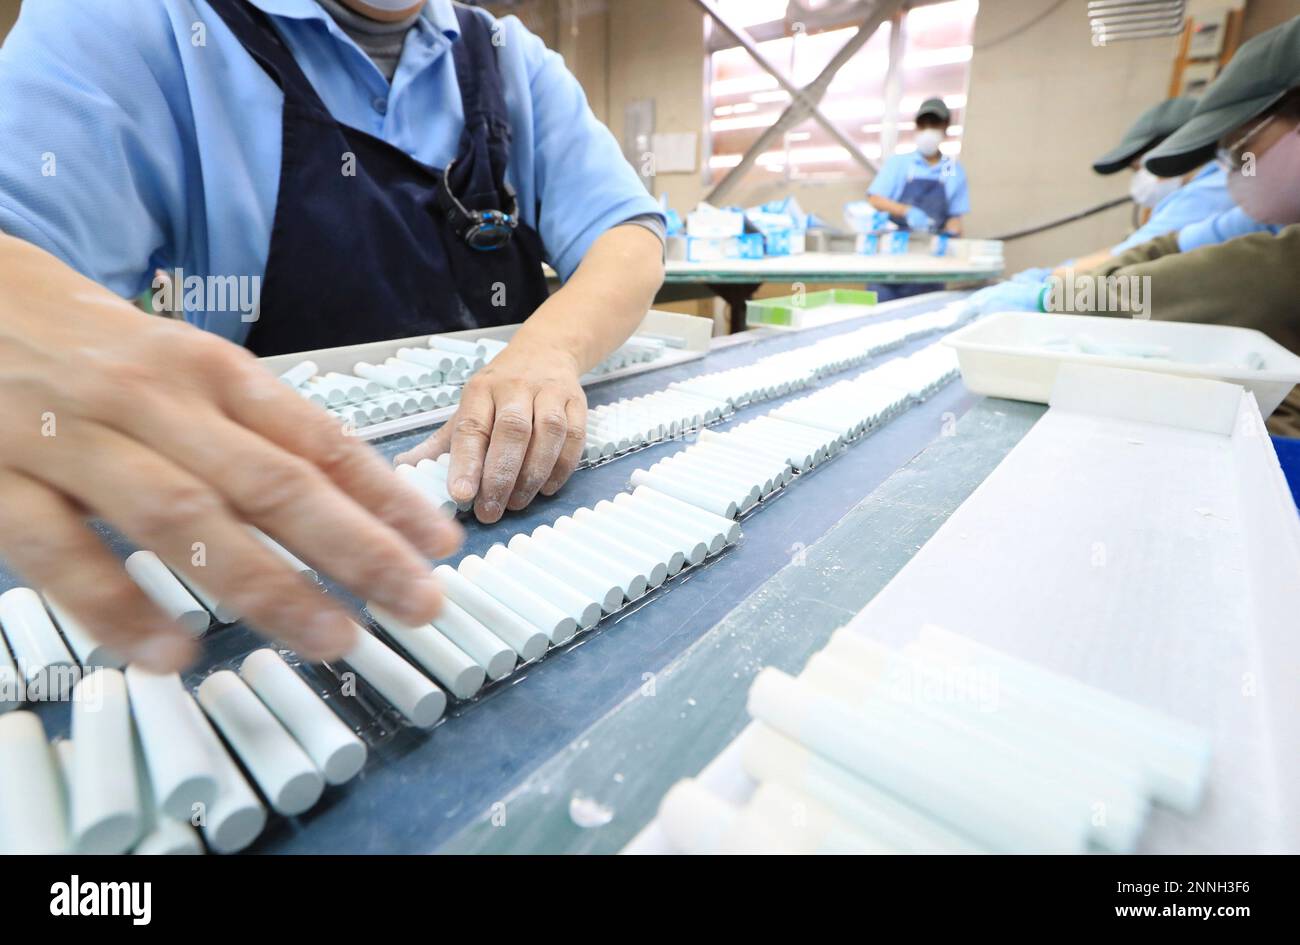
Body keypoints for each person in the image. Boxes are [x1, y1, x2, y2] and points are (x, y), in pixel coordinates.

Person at [0, 0, 665, 670]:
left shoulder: (505, 55)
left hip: (505, 514)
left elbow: (628, 237)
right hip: (279, 517)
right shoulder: (144, 22)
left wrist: (547, 352)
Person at [972, 16, 1300, 436]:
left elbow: (1228, 281)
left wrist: (1054, 298)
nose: (1234, 171)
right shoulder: (1254, 218)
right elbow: (1172, 247)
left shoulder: (1272, 264)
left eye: (1241, 149)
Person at [1064, 96, 1237, 274]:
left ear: (1181, 149)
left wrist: (1050, 276)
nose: (1143, 178)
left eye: (1144, 167)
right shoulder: (1213, 183)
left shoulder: (1209, 193)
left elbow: (1127, 257)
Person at [865, 97, 970, 301]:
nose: (929, 129)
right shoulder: (901, 163)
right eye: (924, 124)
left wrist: (953, 231)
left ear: (946, 127)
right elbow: (875, 198)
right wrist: (906, 211)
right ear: (917, 127)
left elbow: (954, 214)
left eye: (935, 124)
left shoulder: (950, 168)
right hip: (892, 259)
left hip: (930, 264)